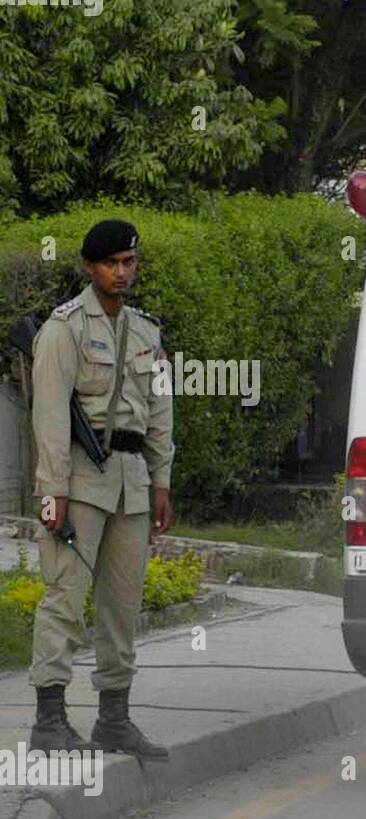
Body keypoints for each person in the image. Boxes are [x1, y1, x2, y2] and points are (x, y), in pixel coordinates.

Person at [29, 219, 173, 761]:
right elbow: (48, 420)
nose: (122, 272)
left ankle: (114, 718)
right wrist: (53, 493)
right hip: (79, 483)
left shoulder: (146, 332)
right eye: (111, 263)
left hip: (132, 482)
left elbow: (161, 411)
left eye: (129, 263)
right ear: (90, 268)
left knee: (123, 605)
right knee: (65, 595)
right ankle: (50, 718)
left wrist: (162, 480)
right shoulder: (63, 330)